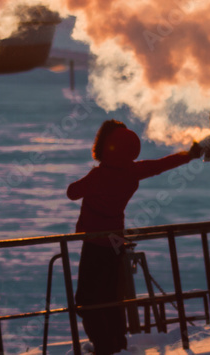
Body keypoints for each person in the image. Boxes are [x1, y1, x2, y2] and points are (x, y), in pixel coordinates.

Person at [66, 120, 201, 355]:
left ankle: (105, 347)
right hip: (116, 242)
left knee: (86, 301)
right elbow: (160, 165)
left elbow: (71, 192)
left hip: (95, 244)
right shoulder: (133, 172)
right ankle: (117, 343)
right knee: (111, 297)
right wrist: (189, 155)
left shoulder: (98, 176)